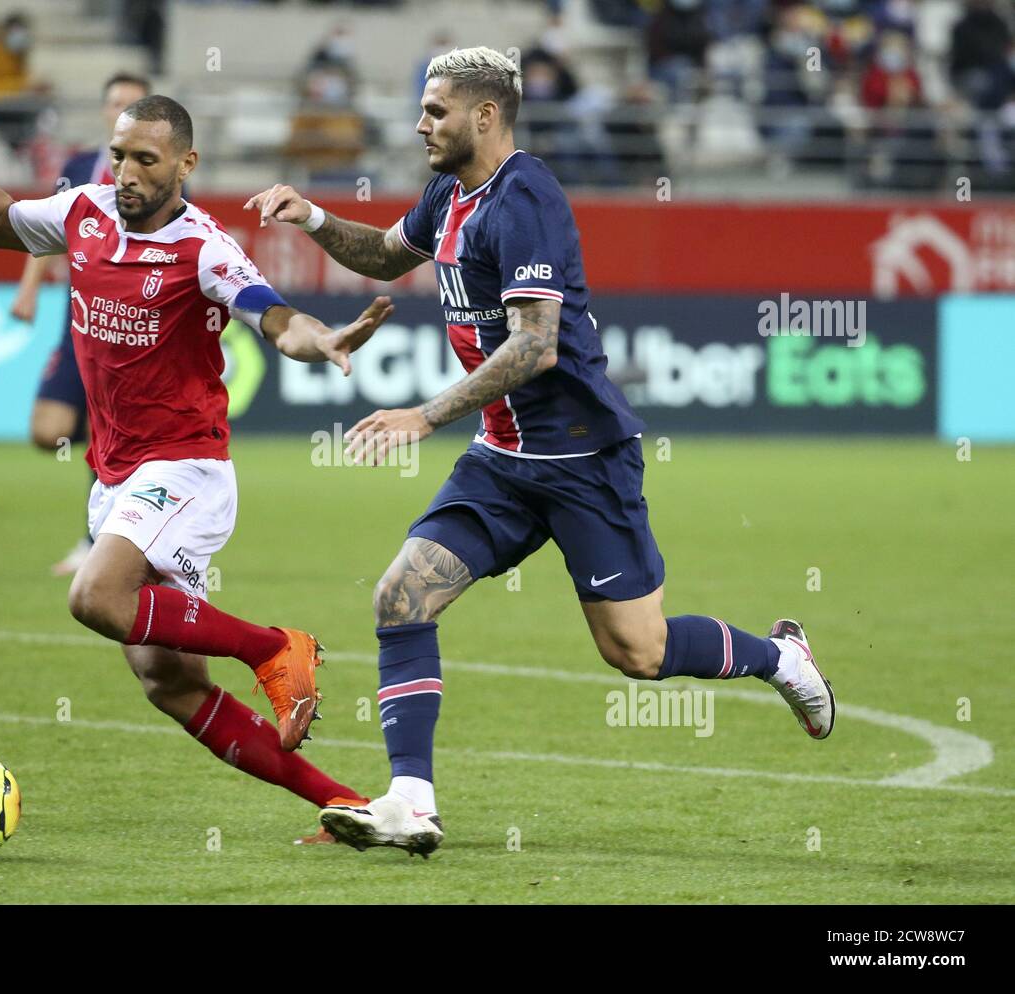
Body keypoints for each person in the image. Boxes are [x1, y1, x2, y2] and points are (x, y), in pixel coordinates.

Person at [245, 46, 835, 857]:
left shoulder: (525, 199)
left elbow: (535, 346)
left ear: (486, 116)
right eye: (423, 109)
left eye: (437, 110)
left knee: (638, 651)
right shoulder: (452, 194)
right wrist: (311, 218)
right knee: (400, 599)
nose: (421, 124)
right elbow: (385, 253)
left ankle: (780, 658)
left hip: (583, 460)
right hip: (502, 463)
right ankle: (410, 803)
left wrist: (424, 415)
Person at [0, 94, 393, 835]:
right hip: (116, 476)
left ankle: (275, 647)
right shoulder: (82, 210)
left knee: (95, 598)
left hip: (185, 468)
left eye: (146, 159)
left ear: (186, 164)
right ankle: (346, 802)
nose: (127, 172)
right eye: (119, 155)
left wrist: (326, 339)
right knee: (169, 684)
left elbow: (275, 319)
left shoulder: (204, 246)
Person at [11, 72, 149, 576]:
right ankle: (107, 527)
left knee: (103, 432)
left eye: (133, 106)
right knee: (48, 430)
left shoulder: (161, 175)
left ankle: (99, 538)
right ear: (105, 110)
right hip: (77, 315)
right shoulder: (77, 166)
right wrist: (29, 289)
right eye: (116, 103)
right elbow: (43, 230)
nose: (122, 112)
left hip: (127, 320)